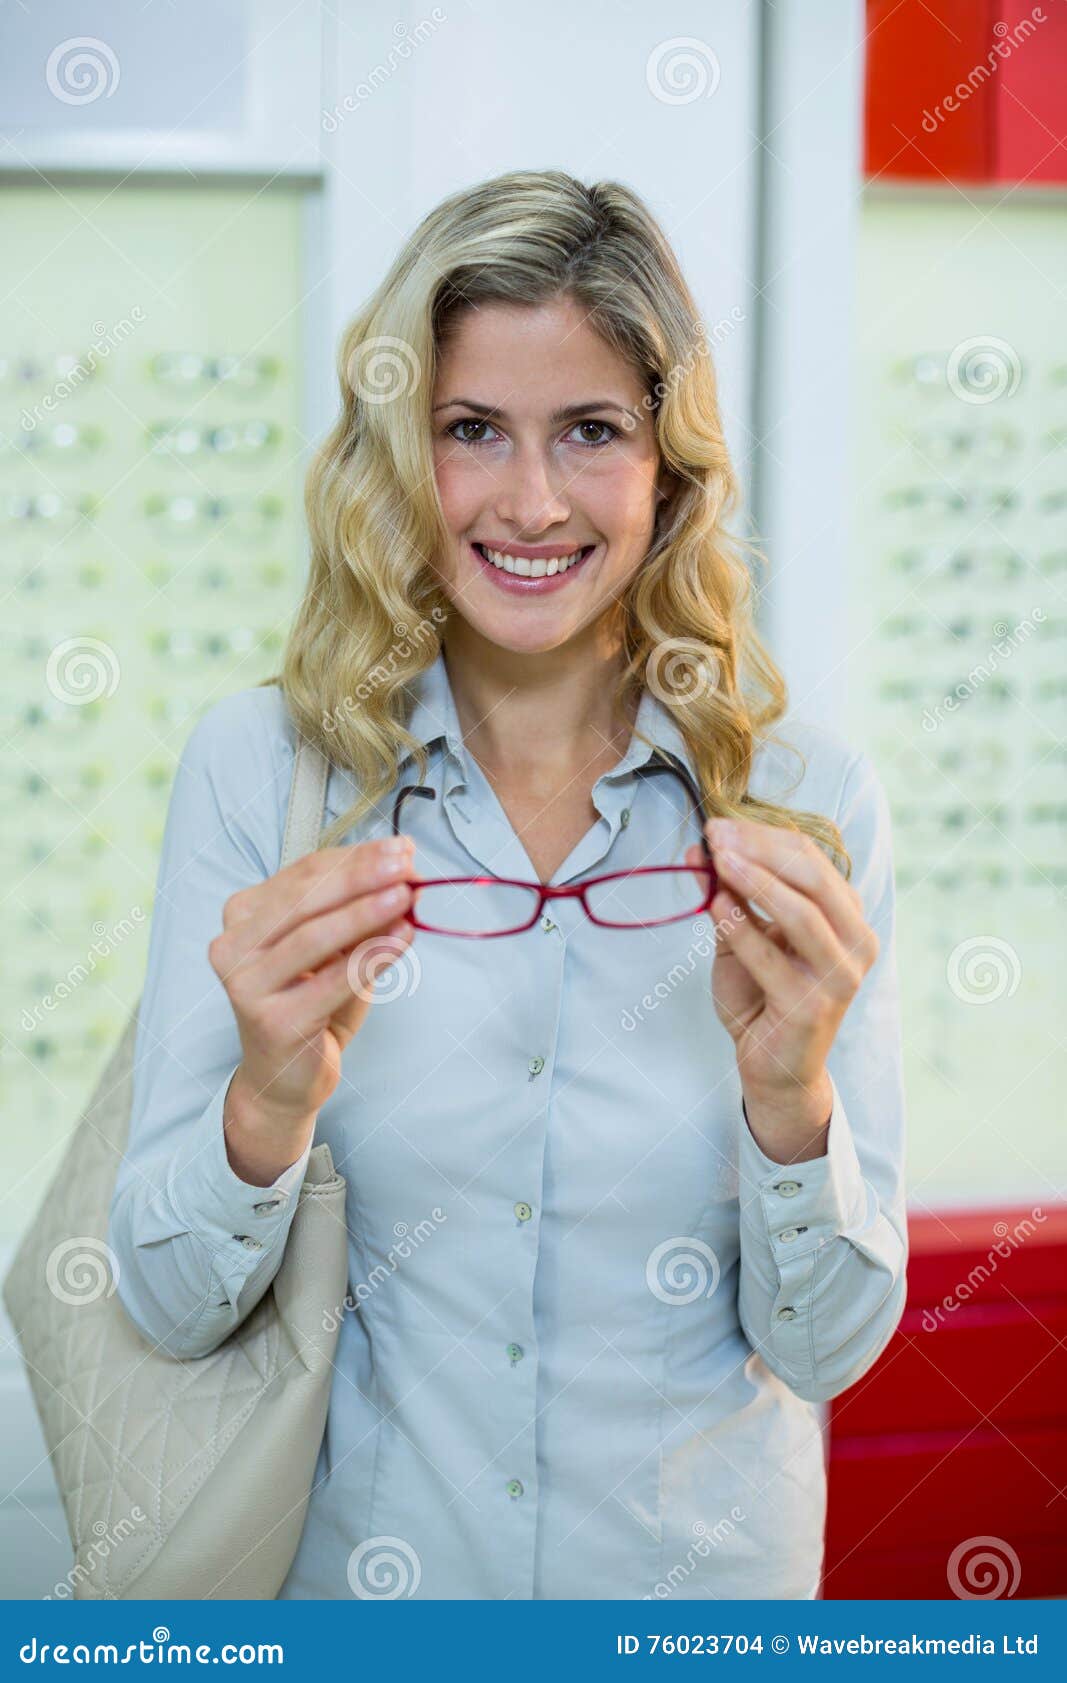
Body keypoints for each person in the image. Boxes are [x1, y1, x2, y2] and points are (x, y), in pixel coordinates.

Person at [108, 169, 907, 1601]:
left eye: (591, 431)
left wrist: (794, 1105)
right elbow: (168, 1311)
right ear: (400, 456)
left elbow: (825, 1348)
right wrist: (265, 1105)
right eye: (472, 430)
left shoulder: (804, 802)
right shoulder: (265, 773)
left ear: (667, 465)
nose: (531, 501)